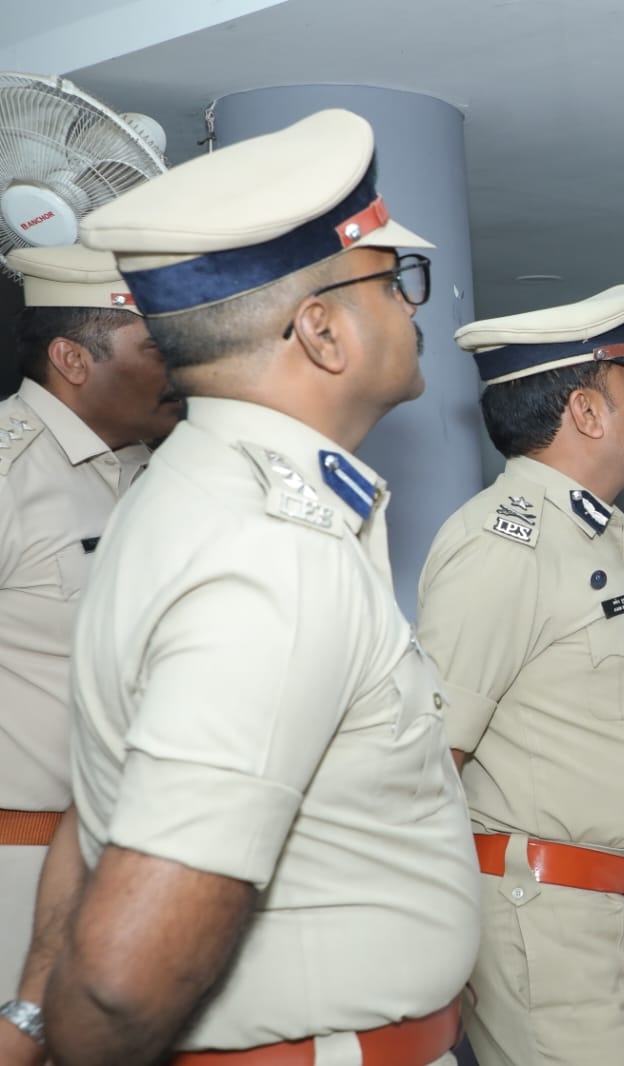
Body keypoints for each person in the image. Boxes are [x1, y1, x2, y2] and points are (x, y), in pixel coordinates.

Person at [2, 109, 481, 1066]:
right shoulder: (271, 549)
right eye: (393, 281)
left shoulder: (180, 493)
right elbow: (119, 979)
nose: (414, 305)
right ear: (322, 330)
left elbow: (92, 822)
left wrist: (25, 1020)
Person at [417, 284, 624, 1066]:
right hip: (547, 918)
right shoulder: (507, 545)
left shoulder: (591, 535)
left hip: (605, 908)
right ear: (586, 412)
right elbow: (429, 758)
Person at [0, 244, 180, 1006]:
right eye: (158, 349)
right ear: (73, 357)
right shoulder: (11, 471)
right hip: (20, 863)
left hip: (142, 858)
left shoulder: (168, 478)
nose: (183, 368)